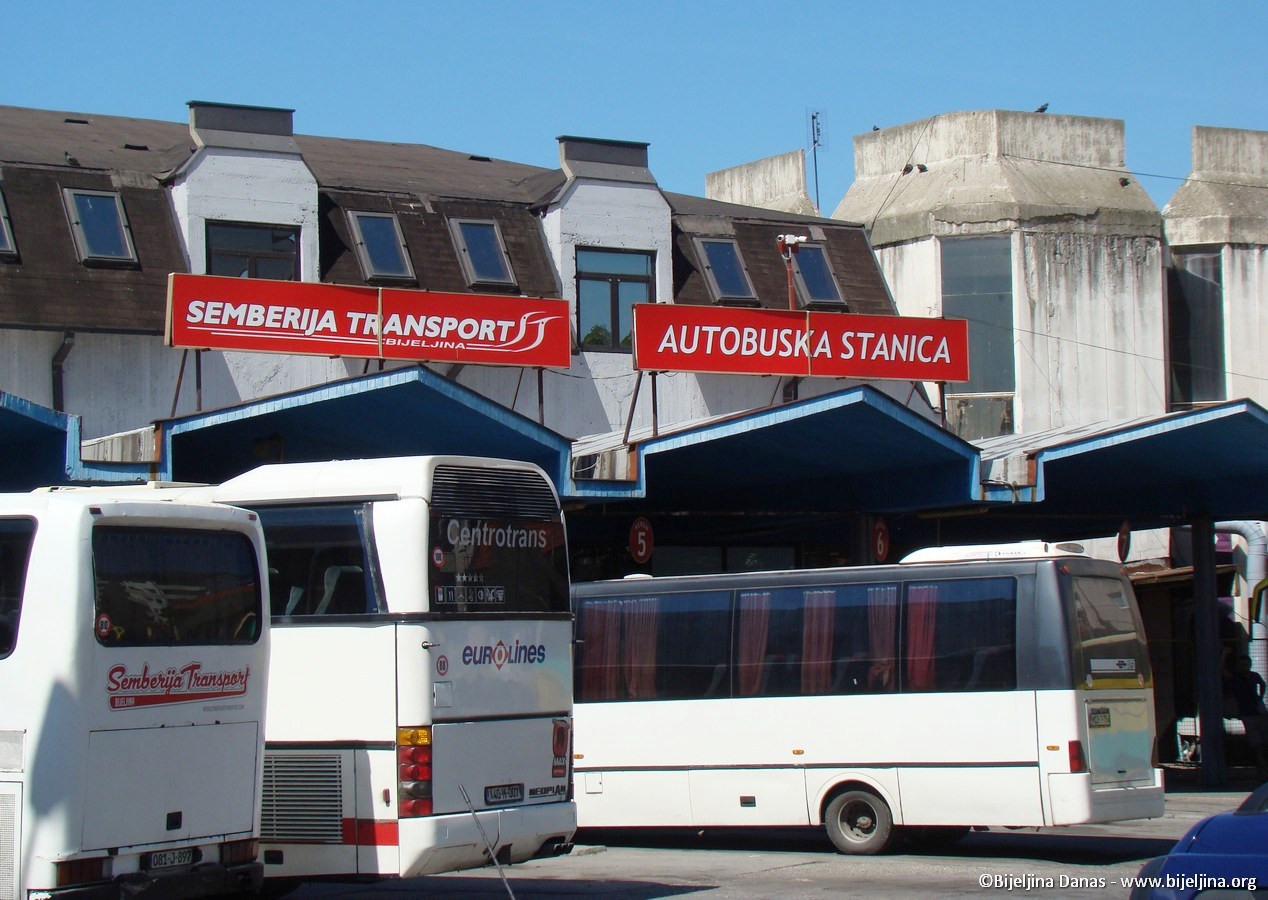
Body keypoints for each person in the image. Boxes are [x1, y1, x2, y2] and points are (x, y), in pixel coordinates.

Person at [1227, 654, 1268, 778]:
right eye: (1242, 664)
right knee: (1256, 744)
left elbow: (1263, 685)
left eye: (1246, 664)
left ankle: (1263, 768)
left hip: (1257, 713)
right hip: (1248, 714)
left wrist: (1260, 697)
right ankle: (1263, 768)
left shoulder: (1253, 676)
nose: (1244, 666)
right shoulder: (1237, 677)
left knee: (1262, 743)